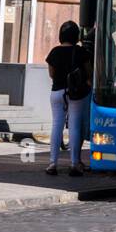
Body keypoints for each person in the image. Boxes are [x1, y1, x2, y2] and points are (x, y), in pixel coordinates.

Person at [45, 20, 92, 177]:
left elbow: (51, 74)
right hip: (76, 93)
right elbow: (89, 73)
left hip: (57, 92)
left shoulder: (54, 52)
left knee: (56, 126)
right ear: (76, 36)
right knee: (75, 126)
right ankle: (74, 163)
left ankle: (52, 163)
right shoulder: (81, 52)